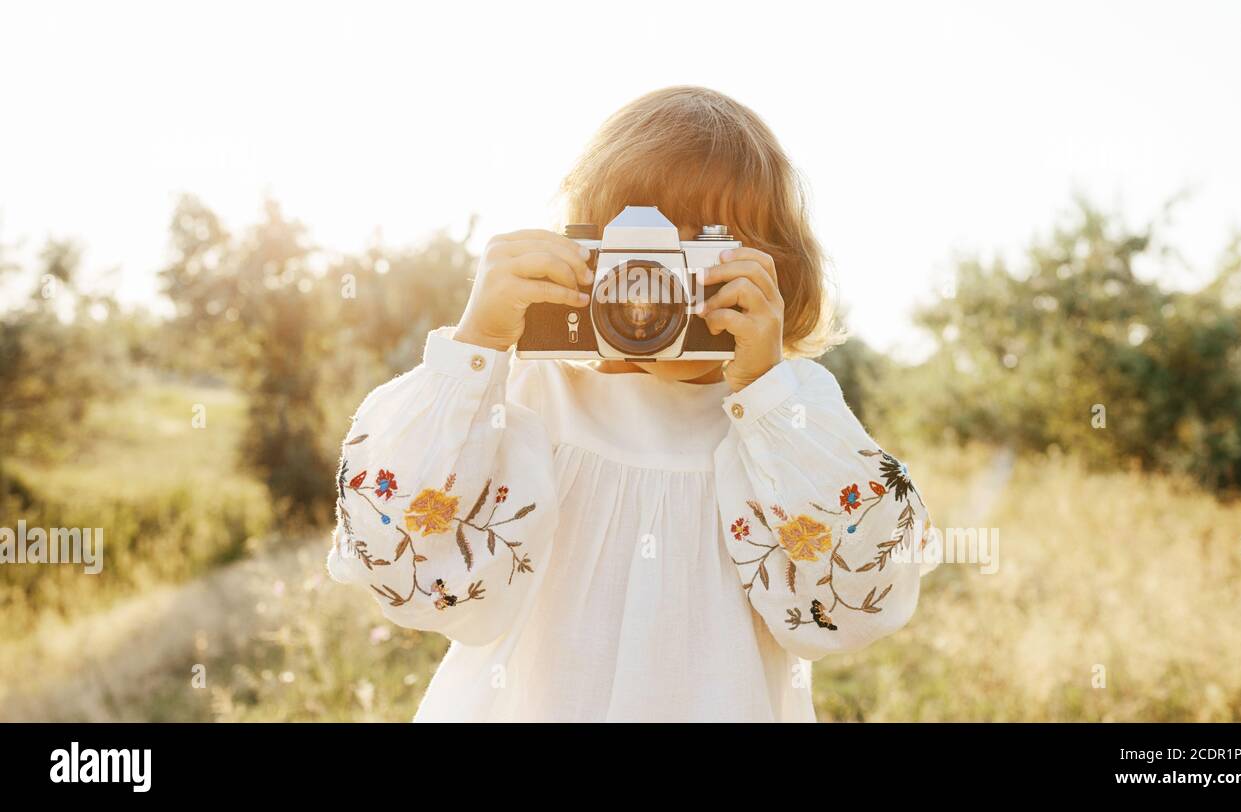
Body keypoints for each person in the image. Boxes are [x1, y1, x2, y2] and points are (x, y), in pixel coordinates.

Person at [327, 86, 933, 721]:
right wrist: (474, 350)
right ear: (584, 251)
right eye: (636, 246)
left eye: (697, 246)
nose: (654, 283)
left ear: (774, 271)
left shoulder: (787, 424)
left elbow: (861, 597)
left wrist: (768, 394)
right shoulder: (524, 399)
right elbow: (400, 562)